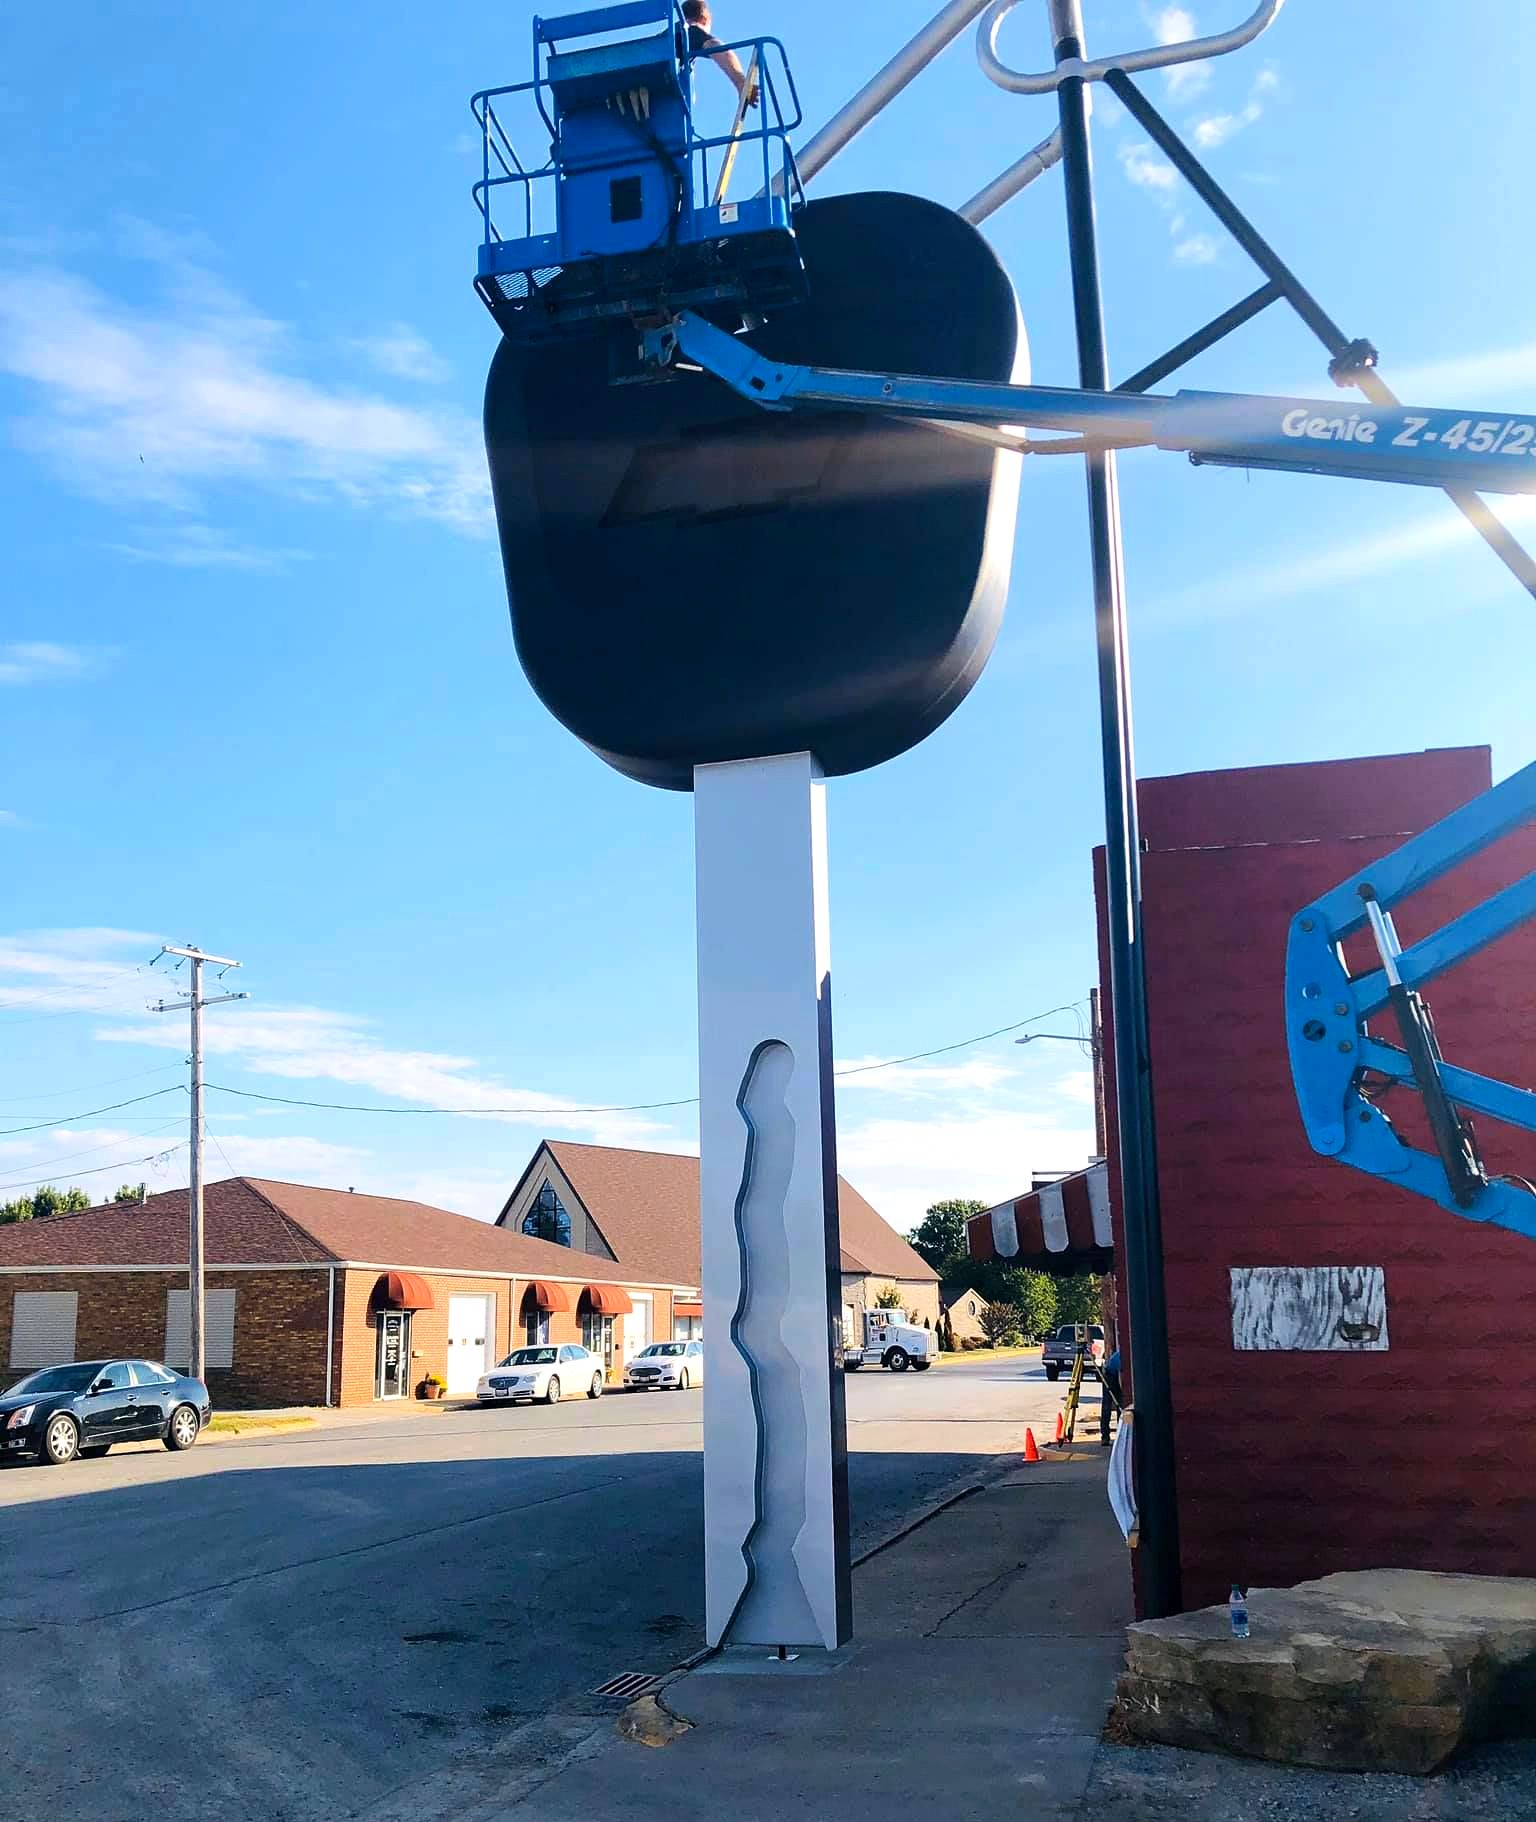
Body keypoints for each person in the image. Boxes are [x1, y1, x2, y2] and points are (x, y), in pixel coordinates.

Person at [680, 1, 759, 106]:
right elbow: (719, 49)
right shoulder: (691, 31)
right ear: (704, 18)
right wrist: (741, 83)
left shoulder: (668, 35)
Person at [1100, 1347, 1123, 1447]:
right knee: (1107, 1405)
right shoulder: (1123, 1359)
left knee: (1120, 1405)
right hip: (1109, 1376)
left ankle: (1120, 1434)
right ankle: (1105, 1436)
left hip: (1115, 1374)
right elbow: (1121, 1379)